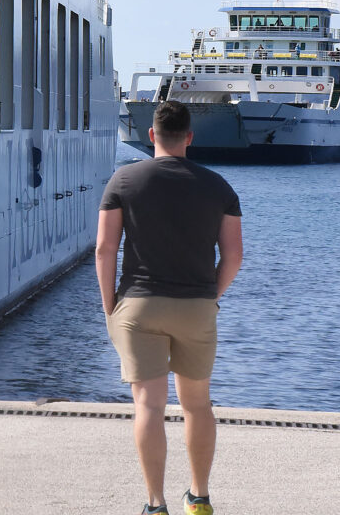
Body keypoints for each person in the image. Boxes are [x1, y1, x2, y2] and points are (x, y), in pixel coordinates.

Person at [96, 100, 243, 515]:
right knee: (197, 404)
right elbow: (233, 256)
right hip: (196, 305)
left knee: (149, 405)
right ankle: (198, 499)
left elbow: (105, 249)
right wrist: (210, 295)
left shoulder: (123, 181)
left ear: (152, 135)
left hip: (139, 307)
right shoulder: (219, 187)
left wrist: (110, 305)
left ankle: (155, 505)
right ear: (190, 138)